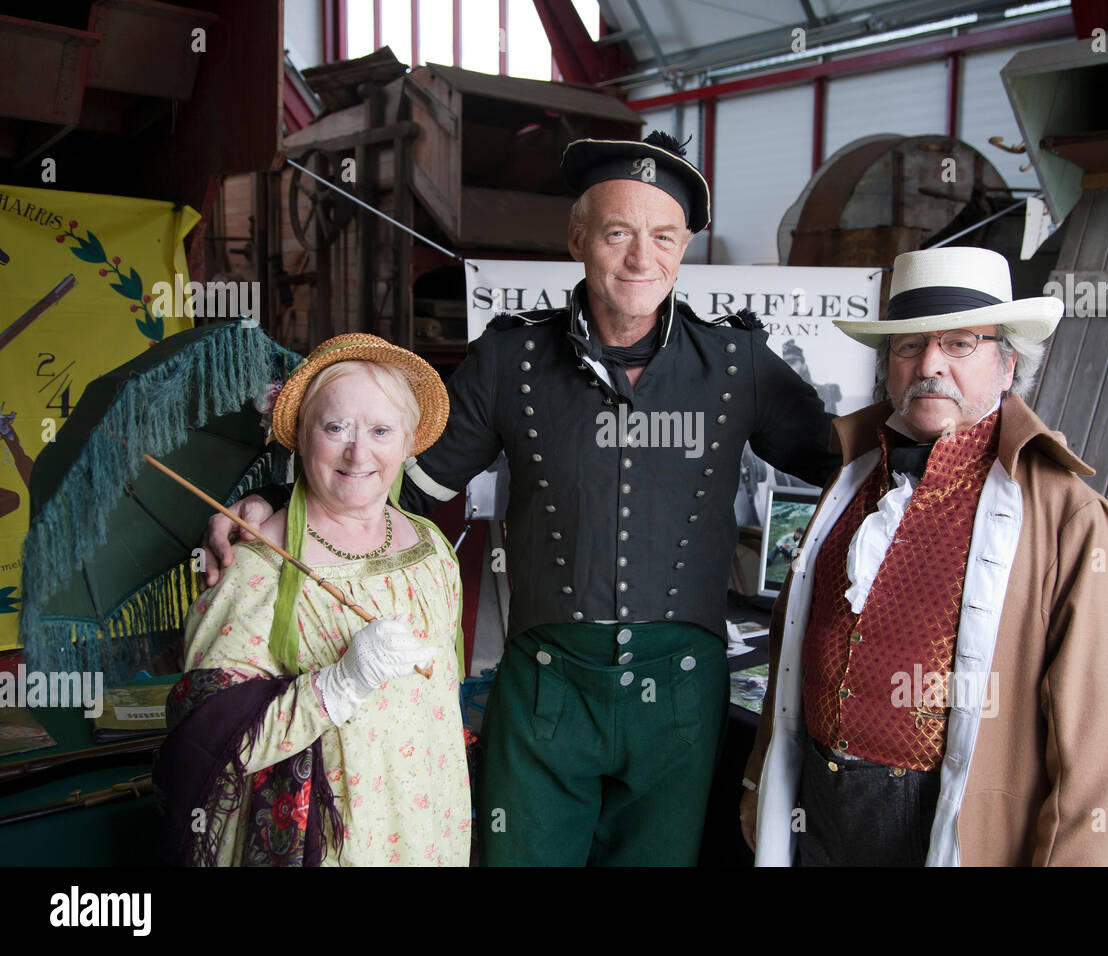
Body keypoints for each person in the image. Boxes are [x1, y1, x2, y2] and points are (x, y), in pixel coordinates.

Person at [201, 132, 838, 866]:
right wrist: (281, 501)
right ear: (577, 238)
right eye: (618, 232)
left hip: (683, 698)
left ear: (686, 246)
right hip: (545, 690)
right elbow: (405, 474)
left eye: (664, 236)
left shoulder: (738, 364)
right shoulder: (512, 357)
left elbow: (847, 465)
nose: (641, 257)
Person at [739, 246, 1108, 866]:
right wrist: (757, 780)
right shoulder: (848, 479)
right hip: (815, 808)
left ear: (1008, 364)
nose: (929, 363)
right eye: (908, 345)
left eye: (960, 343)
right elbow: (790, 652)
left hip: (939, 827)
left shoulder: (1070, 520)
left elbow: (1100, 755)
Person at [157, 334, 471, 866]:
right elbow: (207, 744)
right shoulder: (254, 571)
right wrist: (339, 684)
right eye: (335, 427)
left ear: (408, 440)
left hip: (432, 835)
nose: (358, 451)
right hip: (331, 846)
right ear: (301, 437)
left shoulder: (431, 549)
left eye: (380, 430)